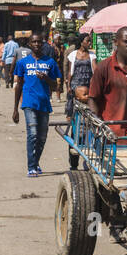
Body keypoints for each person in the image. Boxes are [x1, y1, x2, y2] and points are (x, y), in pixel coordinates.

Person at [12, 33, 60, 177]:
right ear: (30, 44)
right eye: (34, 42)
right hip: (28, 102)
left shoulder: (50, 62)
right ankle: (31, 167)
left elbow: (56, 86)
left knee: (42, 137)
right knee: (32, 134)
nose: (37, 44)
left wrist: (47, 78)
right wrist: (15, 109)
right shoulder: (22, 63)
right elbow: (19, 85)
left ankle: (36, 162)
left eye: (39, 42)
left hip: (44, 103)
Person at [65, 33, 94, 117]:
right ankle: (73, 122)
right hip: (75, 84)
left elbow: (95, 70)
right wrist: (68, 86)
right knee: (74, 105)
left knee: (87, 104)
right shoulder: (73, 54)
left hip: (88, 83)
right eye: (88, 41)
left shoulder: (92, 55)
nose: (89, 43)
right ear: (81, 42)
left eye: (90, 41)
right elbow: (70, 71)